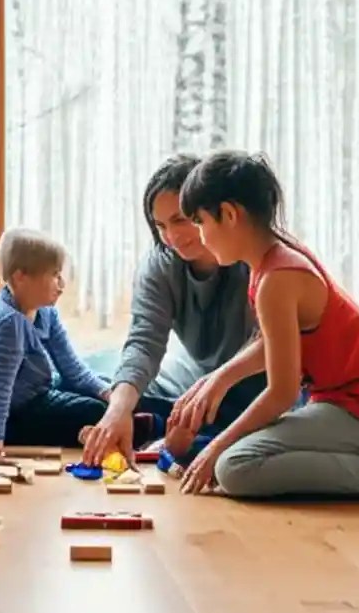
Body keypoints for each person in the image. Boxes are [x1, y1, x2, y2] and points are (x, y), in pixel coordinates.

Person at [170, 149, 359, 498]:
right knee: (235, 449)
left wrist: (216, 450)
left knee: (234, 466)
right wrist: (219, 379)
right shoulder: (273, 259)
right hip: (334, 403)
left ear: (228, 214)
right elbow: (278, 341)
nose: (199, 235)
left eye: (199, 222)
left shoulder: (278, 279)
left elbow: (282, 393)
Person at [81, 153, 272, 467]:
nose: (171, 237)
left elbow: (271, 349)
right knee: (100, 393)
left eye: (181, 220)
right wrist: (117, 411)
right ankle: (154, 425)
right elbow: (144, 342)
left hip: (252, 388)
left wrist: (213, 386)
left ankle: (166, 429)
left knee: (232, 451)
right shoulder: (160, 265)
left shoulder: (253, 257)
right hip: (190, 384)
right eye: (160, 226)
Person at [0, 227, 119, 458]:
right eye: (54, 275)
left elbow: (71, 367)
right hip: (15, 409)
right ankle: (3, 433)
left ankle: (102, 425)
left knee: (101, 388)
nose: (61, 284)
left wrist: (106, 392)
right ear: (21, 277)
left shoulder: (46, 312)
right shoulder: (9, 323)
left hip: (37, 392)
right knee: (93, 410)